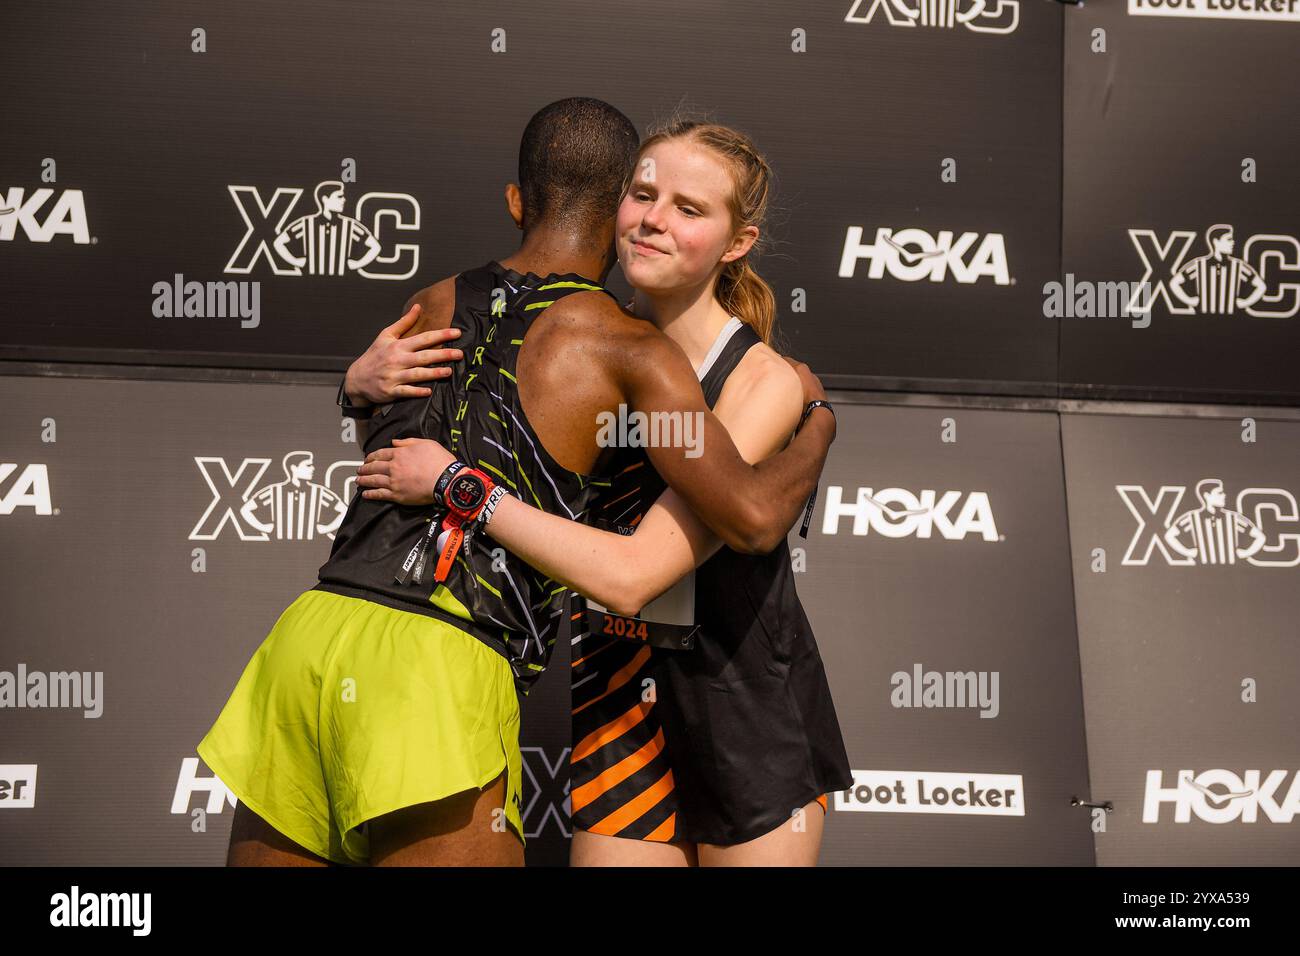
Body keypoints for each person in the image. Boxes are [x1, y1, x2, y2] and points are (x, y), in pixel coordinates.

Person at [197, 97, 835, 867]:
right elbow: (433, 437)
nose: (654, 220)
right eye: (642, 194)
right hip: (601, 691)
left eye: (688, 208)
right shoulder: (623, 348)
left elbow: (718, 534)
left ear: (739, 242)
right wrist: (358, 387)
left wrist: (818, 413)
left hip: (735, 699)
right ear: (612, 207)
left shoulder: (727, 372)